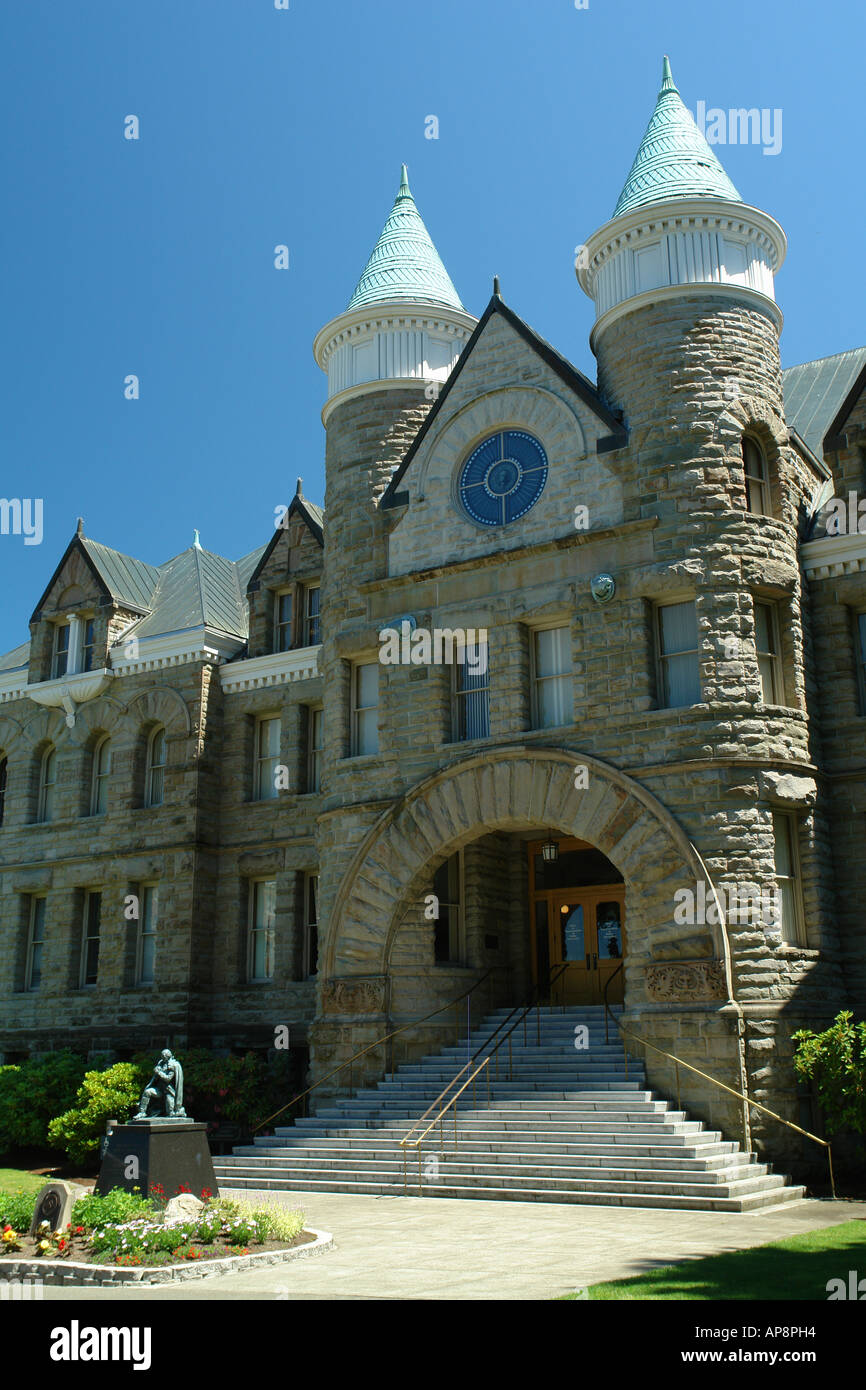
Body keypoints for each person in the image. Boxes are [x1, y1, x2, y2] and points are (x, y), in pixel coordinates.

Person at [134, 1049, 186, 1119]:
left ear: (168, 1056)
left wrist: (158, 1072)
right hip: (159, 1089)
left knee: (170, 1113)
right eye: (162, 1056)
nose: (162, 1057)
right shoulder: (161, 1063)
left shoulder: (173, 1065)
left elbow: (168, 1079)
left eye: (164, 1056)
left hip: (169, 1092)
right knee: (147, 1092)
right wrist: (156, 1073)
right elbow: (155, 1077)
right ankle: (142, 1112)